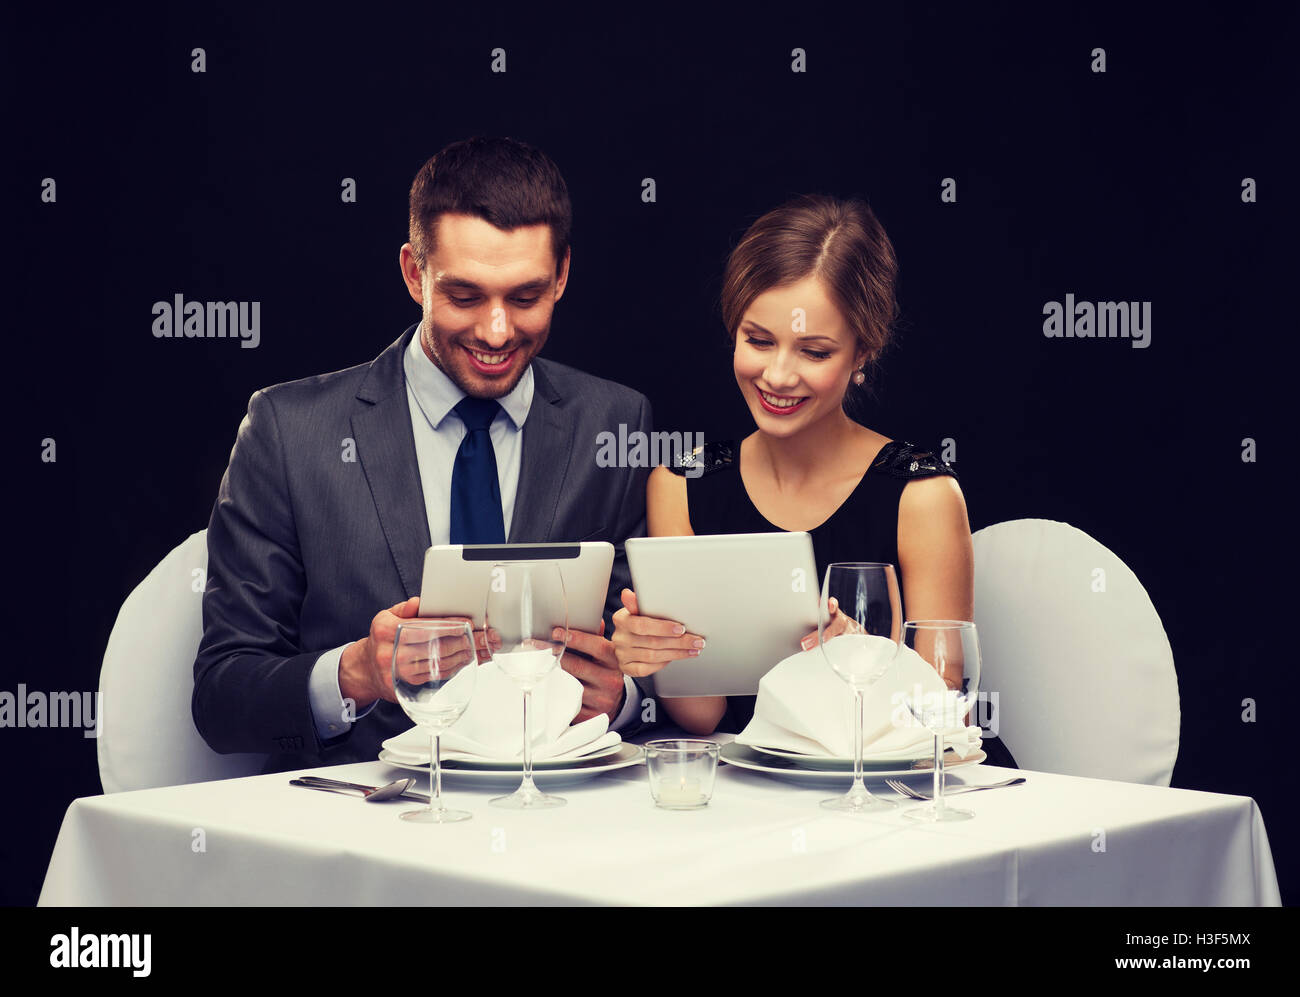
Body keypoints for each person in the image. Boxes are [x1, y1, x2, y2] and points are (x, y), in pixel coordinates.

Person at [194, 137, 655, 770]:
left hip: (557, 815)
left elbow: (647, 652)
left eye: (526, 297)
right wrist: (353, 672)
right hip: (369, 825)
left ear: (563, 275)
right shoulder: (288, 431)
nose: (497, 332)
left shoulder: (617, 422)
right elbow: (221, 698)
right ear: (415, 273)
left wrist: (621, 696)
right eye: (464, 297)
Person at [610, 194, 1016, 767]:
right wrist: (657, 650)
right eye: (758, 340)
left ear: (862, 352)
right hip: (757, 791)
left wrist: (869, 665)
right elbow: (701, 716)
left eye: (815, 351)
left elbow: (946, 719)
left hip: (897, 790)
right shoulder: (681, 483)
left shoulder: (921, 495)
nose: (777, 375)